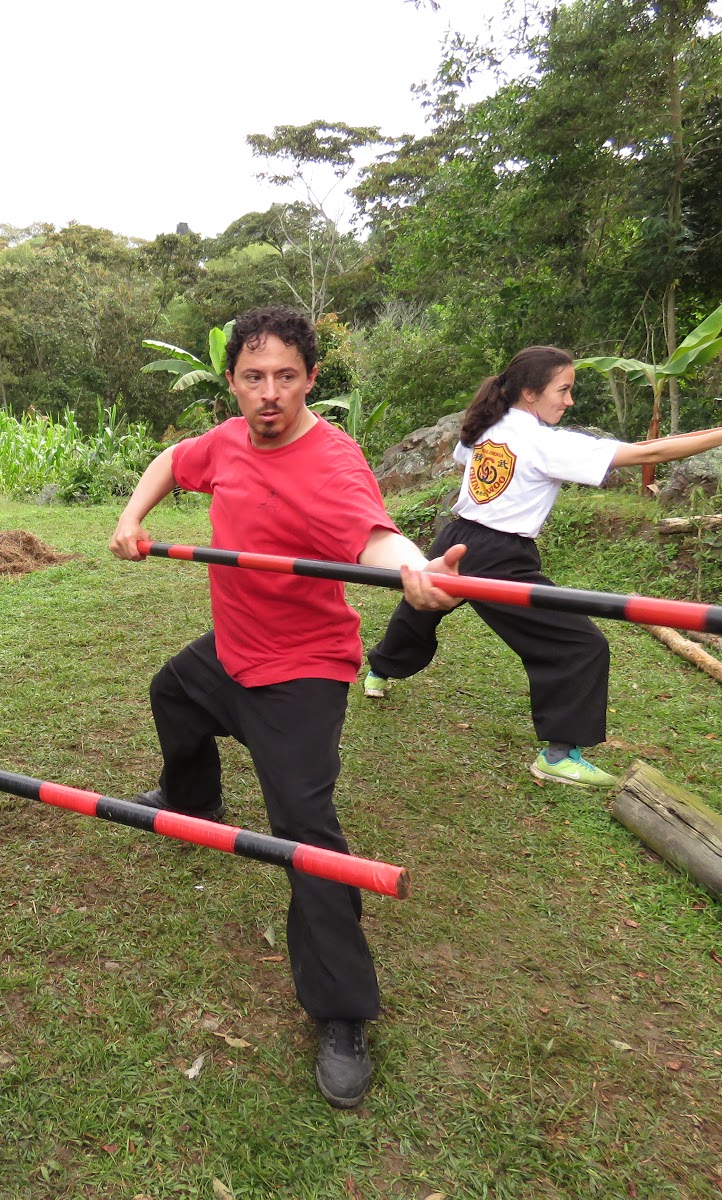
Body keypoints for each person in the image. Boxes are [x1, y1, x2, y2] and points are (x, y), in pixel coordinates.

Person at [109, 305, 464, 1110]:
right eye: (253, 377)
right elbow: (173, 458)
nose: (269, 394)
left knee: (307, 837)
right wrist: (132, 518)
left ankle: (341, 1014)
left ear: (311, 379)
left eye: (286, 378)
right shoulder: (227, 442)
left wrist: (416, 570)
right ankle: (193, 799)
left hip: (301, 671)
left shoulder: (332, 461)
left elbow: (375, 536)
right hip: (230, 650)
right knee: (173, 691)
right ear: (232, 380)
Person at [359, 344, 722, 788]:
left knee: (422, 606)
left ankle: (380, 670)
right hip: (501, 555)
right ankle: (559, 755)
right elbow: (644, 456)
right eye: (563, 390)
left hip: (459, 535)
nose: (569, 400)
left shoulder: (488, 424)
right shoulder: (545, 443)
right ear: (529, 391)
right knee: (579, 646)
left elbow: (473, 461)